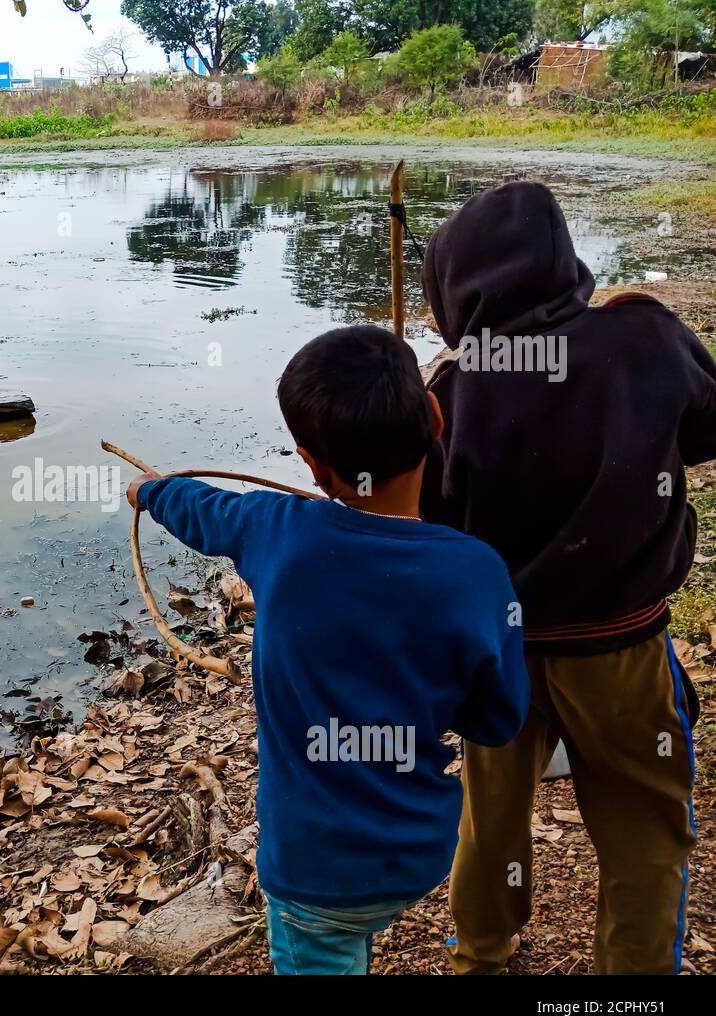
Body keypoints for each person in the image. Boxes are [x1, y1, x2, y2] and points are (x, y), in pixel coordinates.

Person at [126, 324, 529, 974]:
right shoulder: (478, 572)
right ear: (435, 417)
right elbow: (498, 718)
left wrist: (151, 490)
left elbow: (205, 510)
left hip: (314, 871)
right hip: (417, 852)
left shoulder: (274, 530)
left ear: (311, 463)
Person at [420, 180, 715, 975]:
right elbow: (704, 430)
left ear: (458, 288)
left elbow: (433, 528)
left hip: (501, 651)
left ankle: (479, 955)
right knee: (645, 830)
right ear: (559, 261)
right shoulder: (645, 340)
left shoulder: (451, 390)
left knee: (490, 815)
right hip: (620, 649)